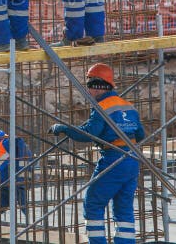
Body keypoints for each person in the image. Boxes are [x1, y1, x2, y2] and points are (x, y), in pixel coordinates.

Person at [49, 63, 145, 244]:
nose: (88, 92)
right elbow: (140, 134)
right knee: (123, 208)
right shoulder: (128, 106)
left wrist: (64, 128)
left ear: (96, 87)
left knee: (93, 203)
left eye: (89, 87)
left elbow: (89, 133)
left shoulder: (102, 107)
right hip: (132, 159)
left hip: (113, 158)